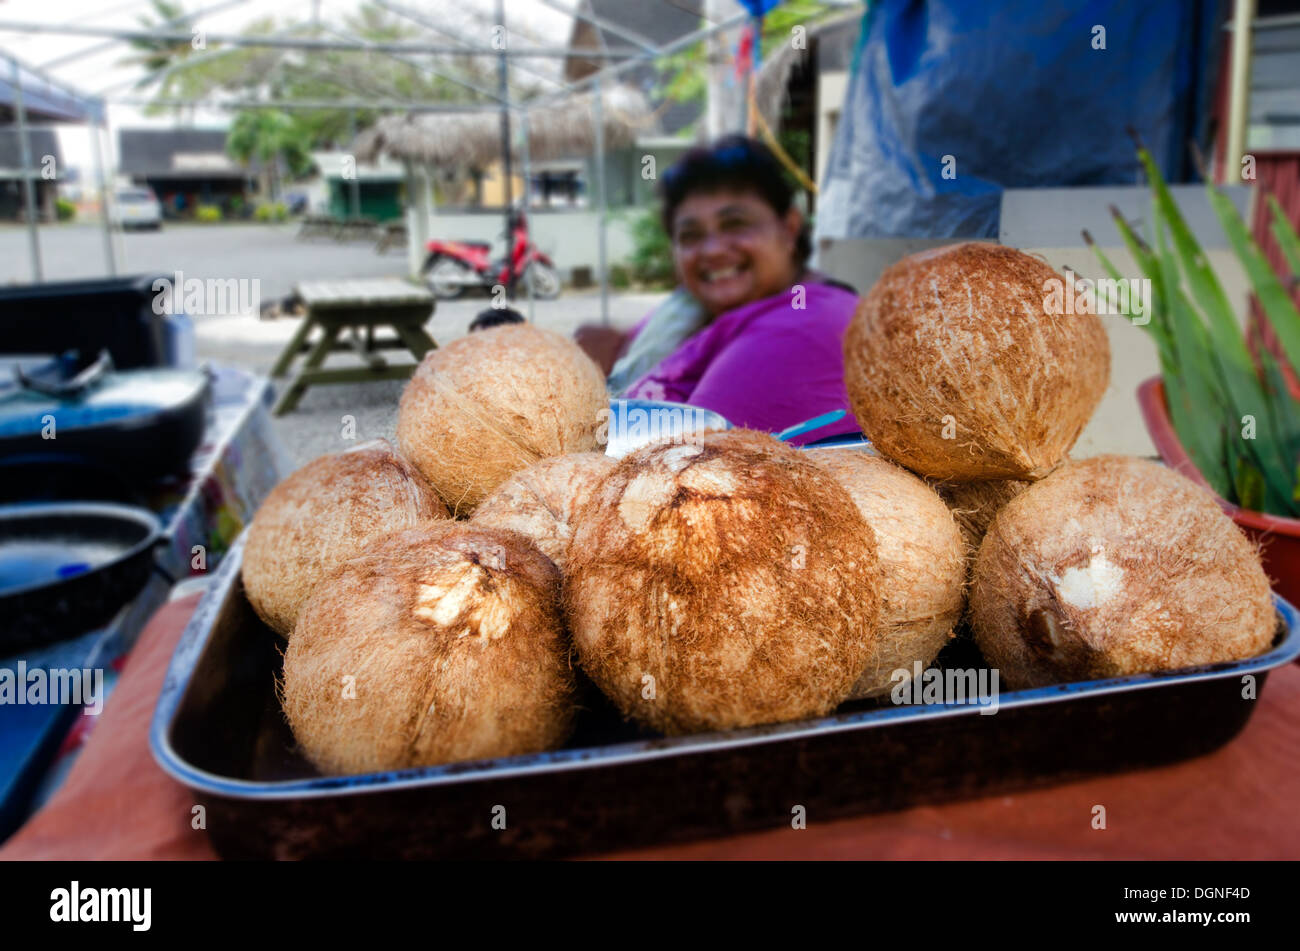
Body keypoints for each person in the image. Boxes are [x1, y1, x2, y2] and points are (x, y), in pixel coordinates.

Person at [585, 135, 860, 443]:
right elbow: (608, 352)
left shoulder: (804, 321)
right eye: (691, 235)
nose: (712, 250)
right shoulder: (692, 309)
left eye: (735, 224)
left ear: (789, 228)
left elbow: (691, 467)